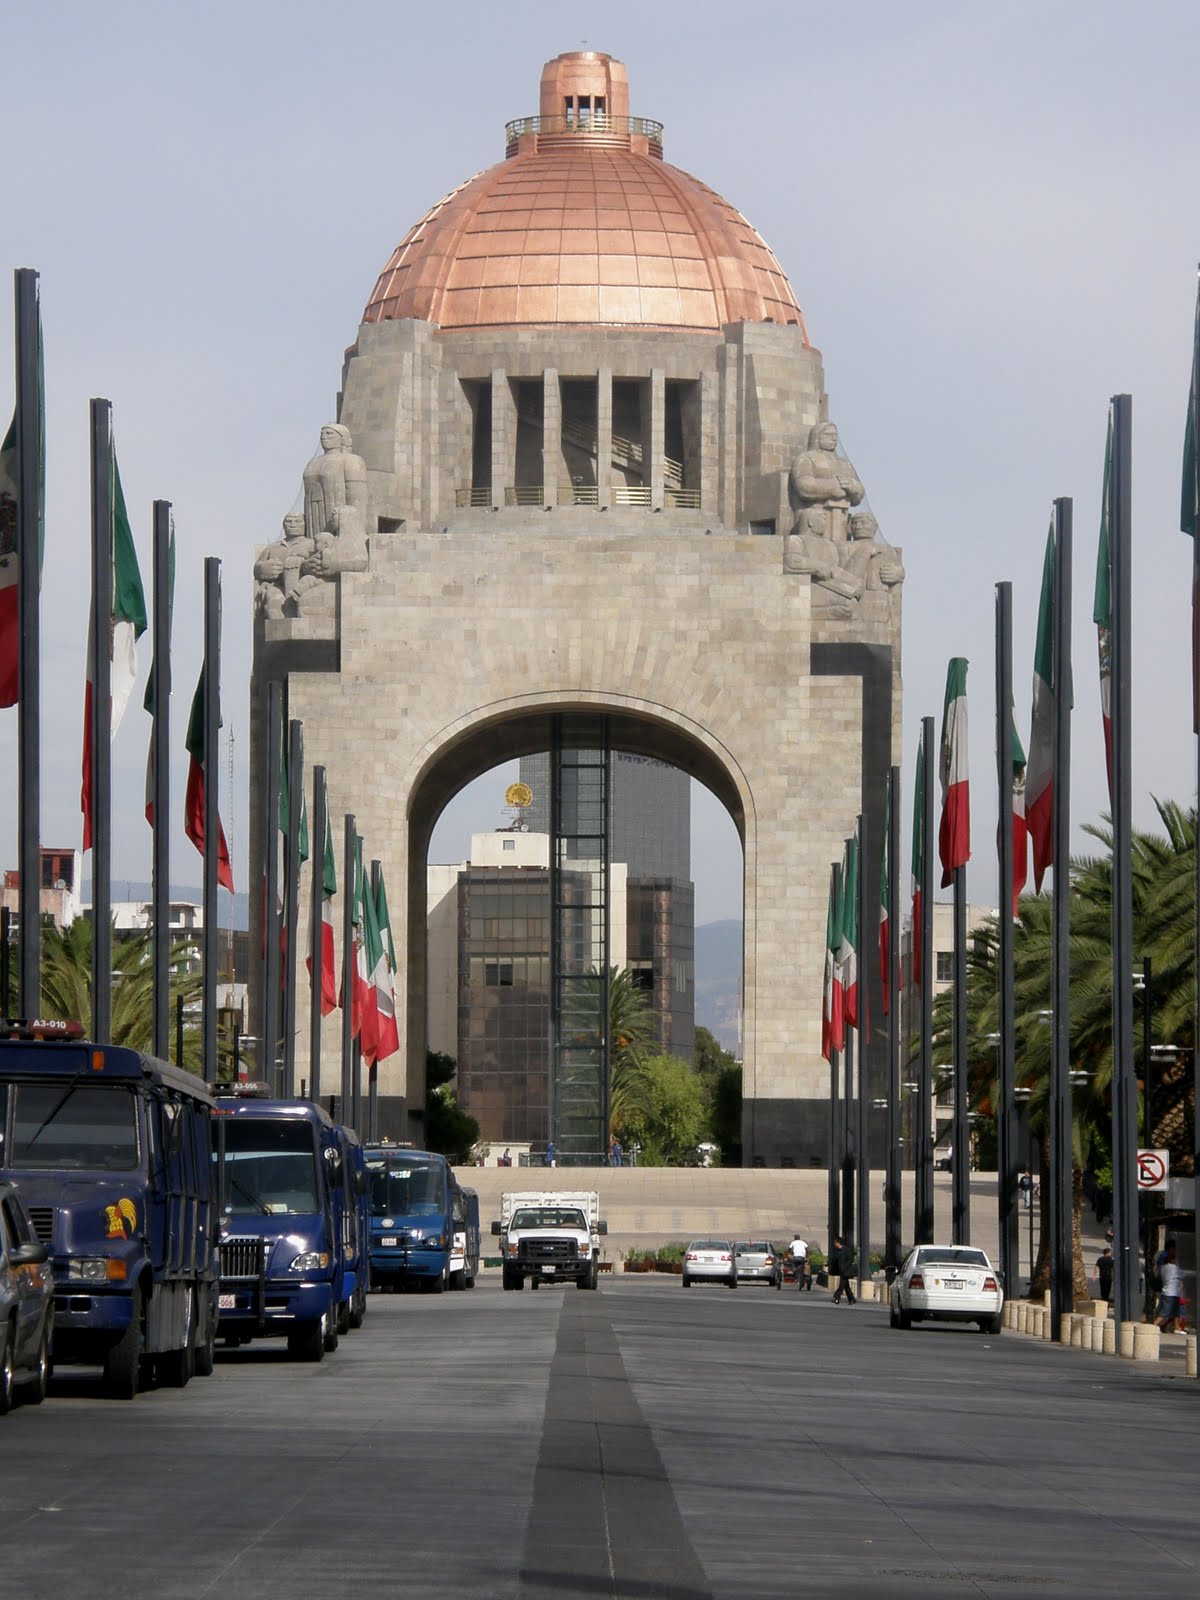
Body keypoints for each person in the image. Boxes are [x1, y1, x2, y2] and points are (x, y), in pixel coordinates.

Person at [1156, 1239, 1183, 1333]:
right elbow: (1182, 1275)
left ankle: (1177, 1327)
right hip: (1171, 1292)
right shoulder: (1174, 1268)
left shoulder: (1162, 1266)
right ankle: (1152, 1326)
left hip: (1167, 1290)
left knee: (1176, 1311)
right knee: (1164, 1312)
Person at [829, 1236, 856, 1305]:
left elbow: (851, 1259)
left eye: (835, 1242)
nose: (834, 1244)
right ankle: (852, 1299)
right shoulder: (837, 1251)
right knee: (846, 1286)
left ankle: (836, 1297)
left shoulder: (846, 1250)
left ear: (838, 1243)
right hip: (841, 1271)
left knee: (841, 1286)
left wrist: (844, 1267)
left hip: (846, 1271)